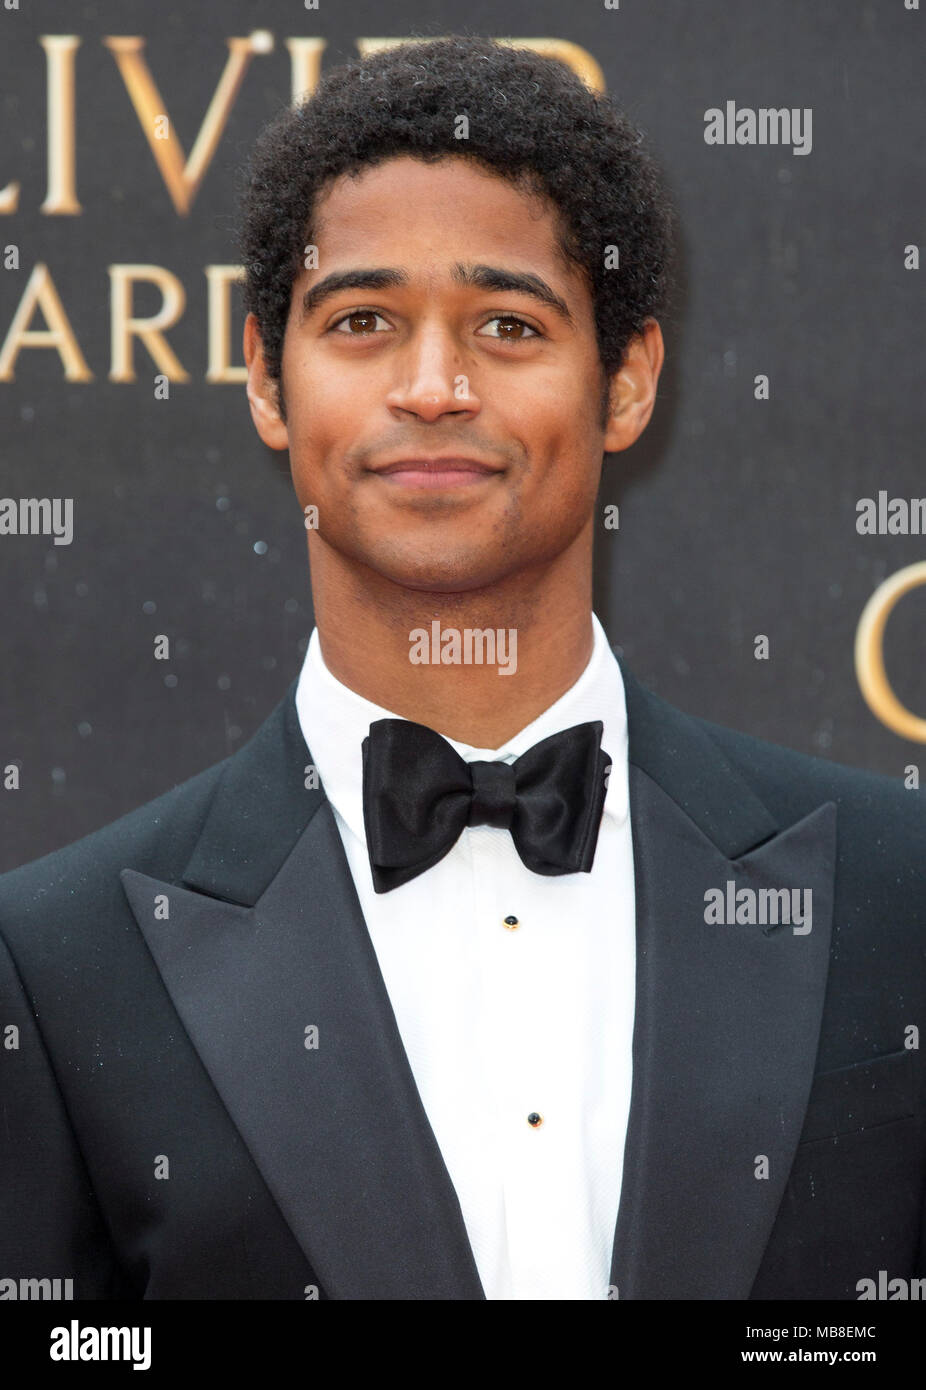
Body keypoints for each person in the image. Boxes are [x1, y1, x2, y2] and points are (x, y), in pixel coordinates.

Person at [1, 35, 923, 1302]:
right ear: (268, 376)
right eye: (364, 321)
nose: (433, 388)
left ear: (628, 379)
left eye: (505, 323)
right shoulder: (56, 962)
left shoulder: (895, 890)